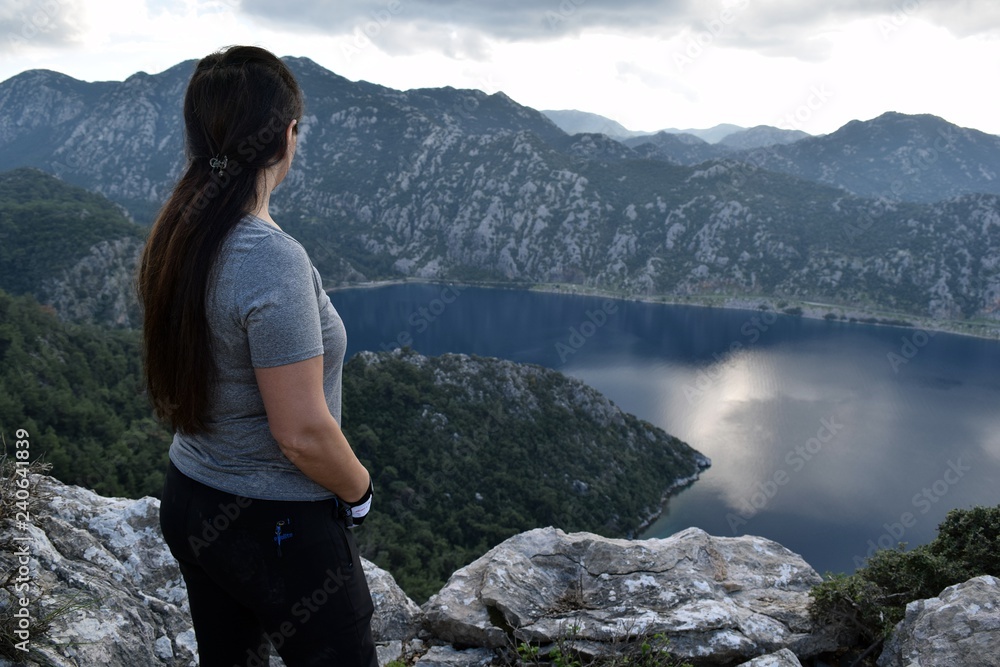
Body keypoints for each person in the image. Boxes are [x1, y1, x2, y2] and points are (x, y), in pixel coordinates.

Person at [136, 45, 378, 667]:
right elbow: (299, 434)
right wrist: (360, 491)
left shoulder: (178, 232)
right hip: (278, 526)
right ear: (286, 136)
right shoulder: (271, 257)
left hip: (190, 496)